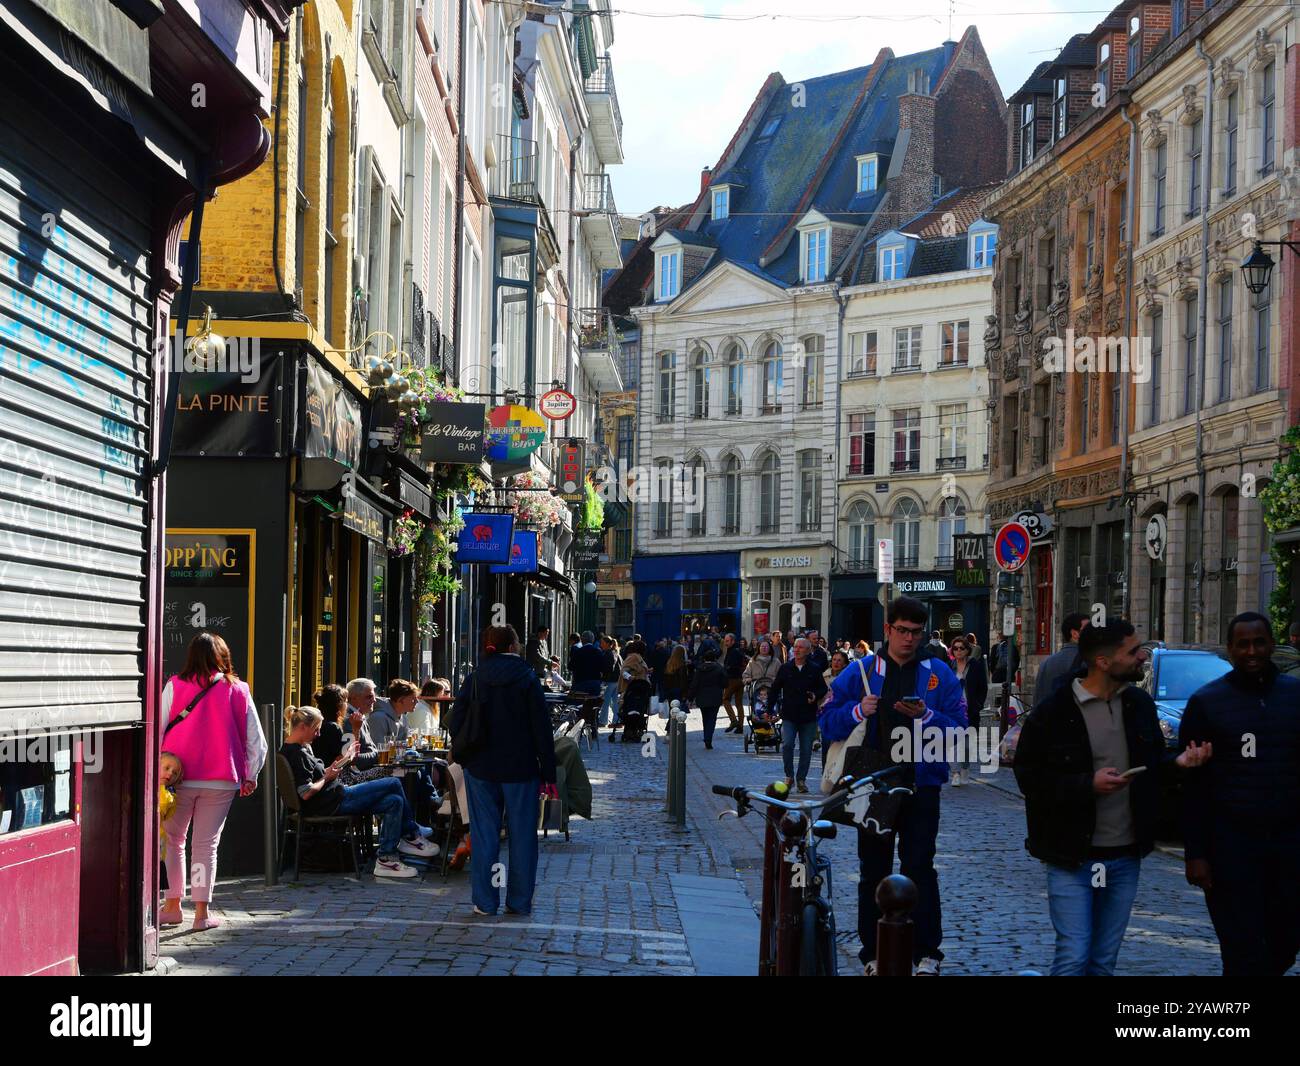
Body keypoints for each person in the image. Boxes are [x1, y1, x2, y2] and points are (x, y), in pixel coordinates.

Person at [819, 596, 967, 975]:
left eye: (916, 633)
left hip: (921, 784)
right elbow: (827, 722)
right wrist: (857, 711)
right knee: (873, 870)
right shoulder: (861, 671)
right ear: (888, 630)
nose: (909, 639)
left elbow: (961, 730)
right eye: (902, 631)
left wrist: (927, 716)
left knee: (921, 867)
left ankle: (926, 954)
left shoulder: (940, 672)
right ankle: (873, 954)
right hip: (872, 785)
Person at [1013, 620, 1162, 976]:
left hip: (1125, 855)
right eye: (1133, 651)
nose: (1142, 656)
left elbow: (1155, 765)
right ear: (1103, 662)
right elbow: (1029, 778)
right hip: (1072, 857)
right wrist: (1086, 784)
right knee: (1075, 954)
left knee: (1102, 962)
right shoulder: (1054, 712)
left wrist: (1182, 763)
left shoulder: (1139, 704)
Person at [1179, 612, 1300, 976]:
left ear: (1271, 644)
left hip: (1290, 847)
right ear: (1230, 649)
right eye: (1243, 644)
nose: (1251, 651)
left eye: (1259, 642)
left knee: (1284, 946)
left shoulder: (1295, 696)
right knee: (1241, 950)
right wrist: (1196, 853)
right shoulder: (1207, 703)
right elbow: (1194, 786)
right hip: (1230, 849)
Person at [158, 633, 268, 930]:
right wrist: (250, 775)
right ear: (223, 655)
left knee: (173, 841)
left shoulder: (175, 685)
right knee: (206, 846)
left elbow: (158, 727)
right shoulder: (239, 689)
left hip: (177, 777)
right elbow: (256, 740)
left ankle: (172, 906)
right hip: (221, 777)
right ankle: (201, 914)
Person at [447, 625, 557, 916]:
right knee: (523, 837)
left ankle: (485, 902)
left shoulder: (474, 678)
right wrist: (549, 772)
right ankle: (519, 902)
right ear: (513, 646)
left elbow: (454, 720)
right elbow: (541, 728)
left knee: (485, 835)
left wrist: (466, 754)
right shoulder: (527, 678)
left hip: (481, 767)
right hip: (520, 767)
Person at [280, 706, 437, 879]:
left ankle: (386, 858)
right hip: (333, 802)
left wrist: (334, 767)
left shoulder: (297, 748)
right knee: (393, 782)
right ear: (303, 726)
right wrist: (328, 777)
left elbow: (313, 778)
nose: (318, 734)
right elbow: (306, 792)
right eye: (316, 729)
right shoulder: (296, 753)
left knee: (394, 801)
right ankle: (411, 834)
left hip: (334, 797)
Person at [769, 638, 828, 793]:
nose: (797, 649)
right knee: (787, 745)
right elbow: (775, 689)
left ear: (808, 651)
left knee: (806, 749)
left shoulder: (814, 669)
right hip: (789, 714)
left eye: (801, 647)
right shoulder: (785, 668)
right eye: (795, 647)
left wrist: (815, 695)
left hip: (808, 716)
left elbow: (823, 689)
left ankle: (801, 780)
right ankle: (789, 776)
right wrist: (769, 709)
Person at [948, 638, 988, 786]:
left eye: (961, 648)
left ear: (967, 650)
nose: (958, 651)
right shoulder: (949, 667)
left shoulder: (975, 666)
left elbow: (983, 687)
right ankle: (955, 773)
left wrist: (978, 704)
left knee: (967, 744)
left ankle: (965, 768)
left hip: (970, 710)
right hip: (953, 710)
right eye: (956, 648)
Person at [1033, 612, 1090, 708]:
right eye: (1088, 629)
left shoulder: (1046, 663)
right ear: (1075, 634)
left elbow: (1038, 699)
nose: (1093, 633)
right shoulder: (1088, 660)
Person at [689, 648, 729, 749]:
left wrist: (690, 697)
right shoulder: (719, 668)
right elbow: (725, 683)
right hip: (715, 696)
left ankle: (706, 736)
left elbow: (695, 684)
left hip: (702, 696)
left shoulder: (699, 669)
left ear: (704, 658)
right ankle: (708, 738)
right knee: (712, 718)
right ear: (714, 658)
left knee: (705, 718)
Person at [311, 684, 348, 766]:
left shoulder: (318, 724)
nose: (347, 705)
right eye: (346, 701)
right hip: (330, 775)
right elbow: (340, 761)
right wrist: (356, 729)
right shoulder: (333, 728)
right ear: (339, 705)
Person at [721, 633, 749, 735]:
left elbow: (731, 666)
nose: (726, 642)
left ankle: (733, 721)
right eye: (725, 640)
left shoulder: (734, 651)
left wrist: (725, 669)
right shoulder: (737, 650)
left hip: (733, 679)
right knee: (738, 703)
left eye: (727, 641)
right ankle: (740, 727)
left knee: (725, 699)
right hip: (740, 679)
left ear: (733, 641)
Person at [569, 630, 608, 698]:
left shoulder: (578, 652)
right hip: (595, 683)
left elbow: (570, 666)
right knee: (592, 705)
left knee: (577, 704)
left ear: (582, 640)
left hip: (581, 682)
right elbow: (603, 668)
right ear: (592, 640)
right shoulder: (598, 652)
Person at [598, 636, 623, 727]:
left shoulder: (608, 653)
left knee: (606, 702)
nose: (601, 644)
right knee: (615, 702)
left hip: (609, 681)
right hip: (616, 681)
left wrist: (602, 674)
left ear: (608, 644)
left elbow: (608, 668)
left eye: (602, 643)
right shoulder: (616, 653)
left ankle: (603, 721)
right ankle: (617, 720)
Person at [661, 645, 689, 710]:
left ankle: (671, 719)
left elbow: (665, 677)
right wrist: (685, 693)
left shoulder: (669, 663)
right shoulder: (682, 665)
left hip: (669, 689)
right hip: (678, 689)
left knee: (672, 708)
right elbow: (683, 680)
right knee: (678, 710)